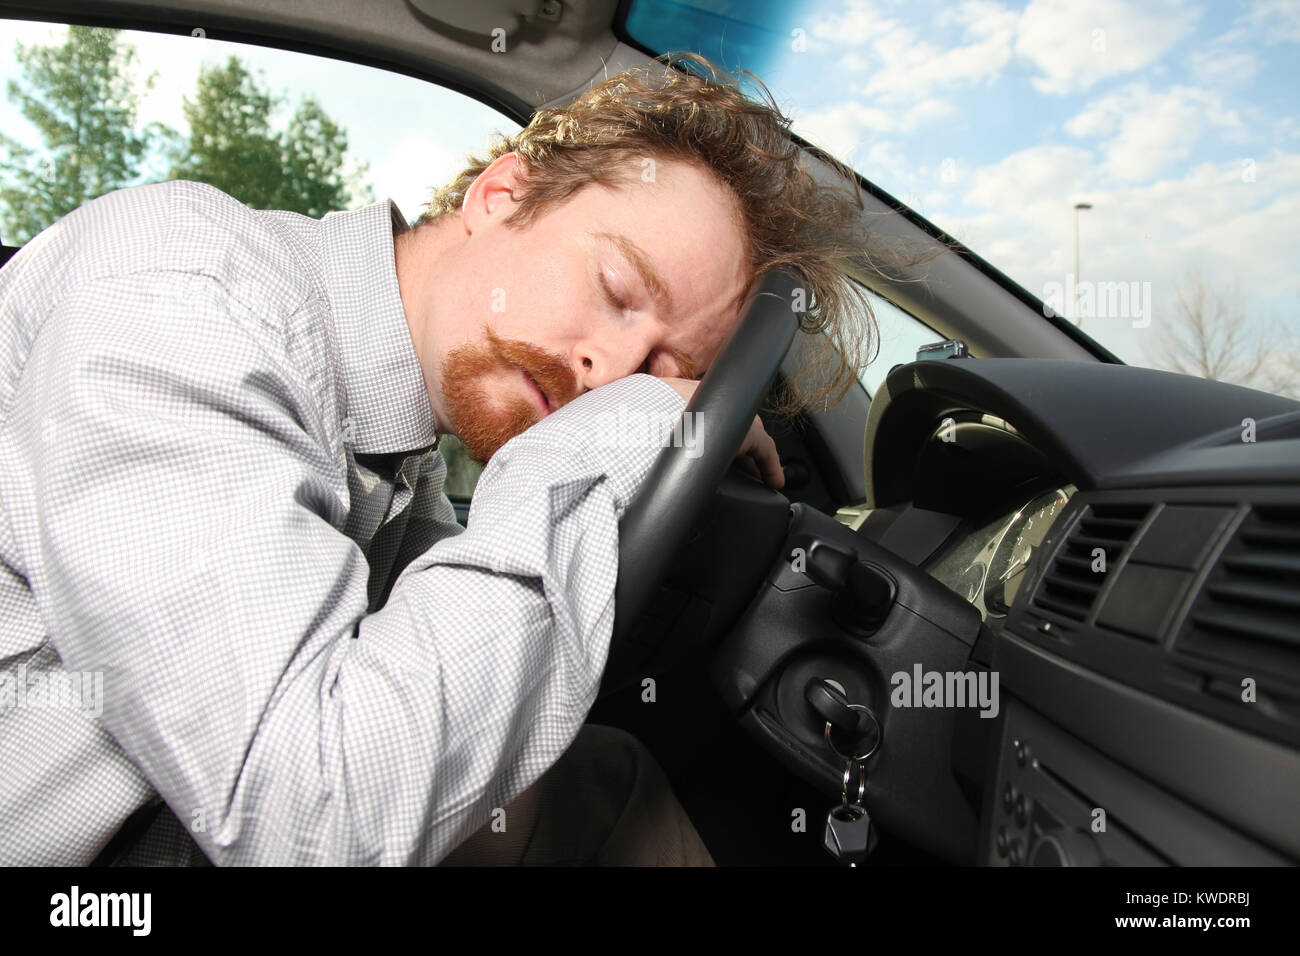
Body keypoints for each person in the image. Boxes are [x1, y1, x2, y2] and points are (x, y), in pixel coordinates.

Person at [0, 55, 876, 865]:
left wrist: (689, 429)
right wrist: (626, 428)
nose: (609, 374)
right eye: (615, 291)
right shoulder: (189, 301)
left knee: (606, 780)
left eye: (661, 366)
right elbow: (311, 815)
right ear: (501, 194)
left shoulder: (394, 438)